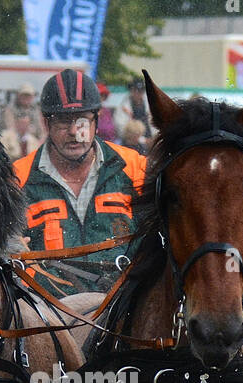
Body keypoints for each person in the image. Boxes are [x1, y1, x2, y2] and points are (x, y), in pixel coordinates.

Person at [11, 69, 146, 292]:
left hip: (123, 313)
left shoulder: (135, 168)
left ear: (97, 120)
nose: (74, 132)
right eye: (63, 122)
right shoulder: (17, 179)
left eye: (82, 121)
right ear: (46, 124)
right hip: (49, 315)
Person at [115, 76, 153, 152]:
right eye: (135, 90)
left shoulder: (150, 106)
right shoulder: (123, 107)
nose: (138, 93)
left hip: (150, 143)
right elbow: (122, 129)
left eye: (141, 90)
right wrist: (141, 139)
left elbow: (155, 126)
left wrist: (152, 140)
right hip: (130, 145)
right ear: (131, 90)